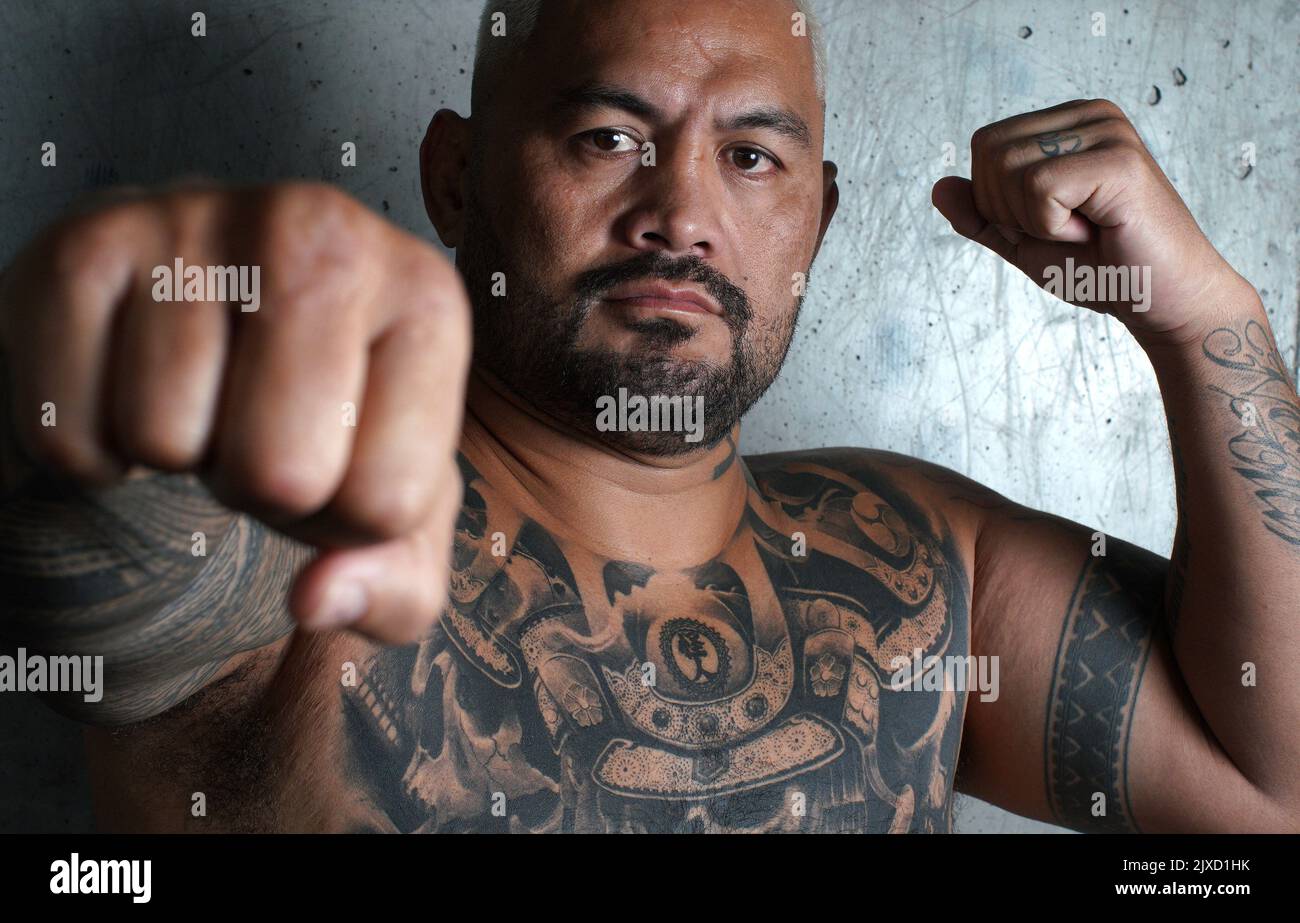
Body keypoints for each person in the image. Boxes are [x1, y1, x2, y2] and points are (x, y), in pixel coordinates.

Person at [1, 0, 1295, 833]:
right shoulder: (313, 533)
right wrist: (118, 411)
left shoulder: (918, 568)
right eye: (611, 136)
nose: (681, 211)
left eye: (751, 156)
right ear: (455, 180)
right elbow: (112, 572)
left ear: (819, 219)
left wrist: (1208, 324)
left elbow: (1267, 788)